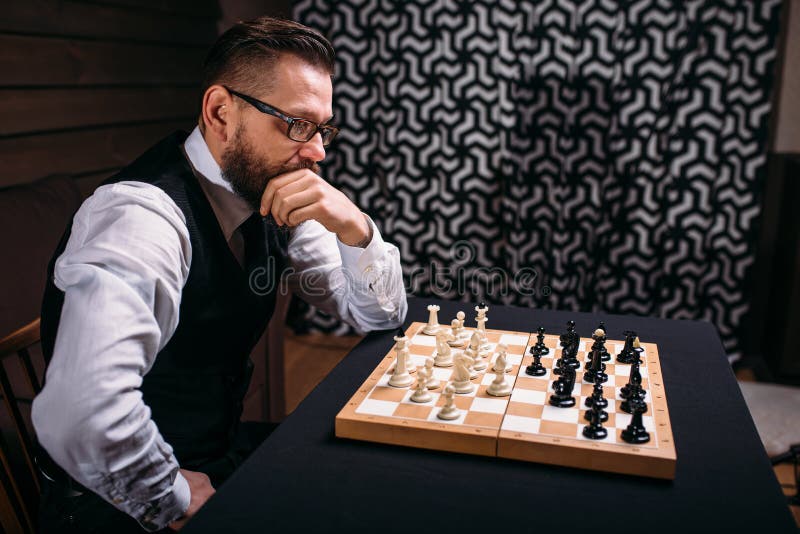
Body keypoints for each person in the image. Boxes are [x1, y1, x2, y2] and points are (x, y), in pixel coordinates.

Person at [31, 16, 407, 532]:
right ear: (220, 112)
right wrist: (174, 493)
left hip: (218, 452)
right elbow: (79, 410)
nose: (318, 151)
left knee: (384, 482)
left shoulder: (270, 191)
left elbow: (377, 313)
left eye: (322, 129)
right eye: (296, 124)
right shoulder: (141, 218)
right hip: (121, 502)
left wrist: (356, 228)